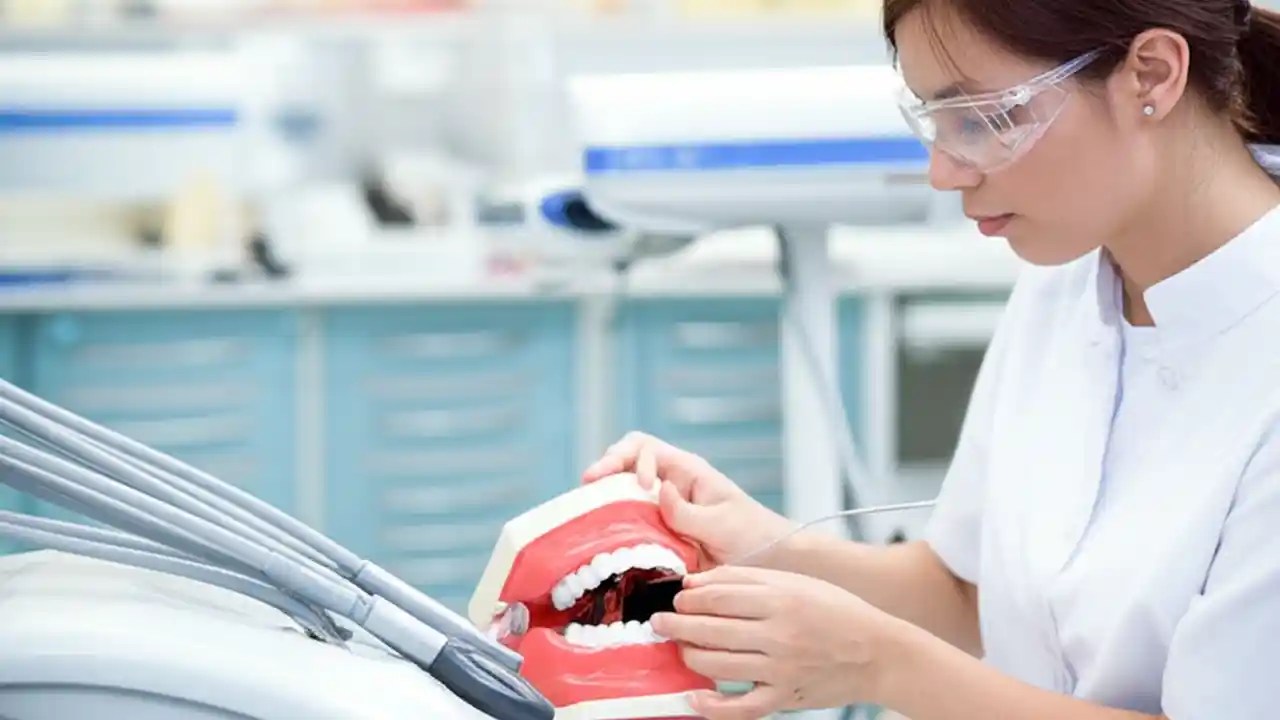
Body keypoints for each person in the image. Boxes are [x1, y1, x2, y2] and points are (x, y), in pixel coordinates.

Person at [581, 0, 1280, 718]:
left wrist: (877, 664)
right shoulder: (1066, 278)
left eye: (983, 118)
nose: (944, 173)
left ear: (1152, 75)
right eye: (935, 122)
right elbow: (968, 593)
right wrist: (762, 545)